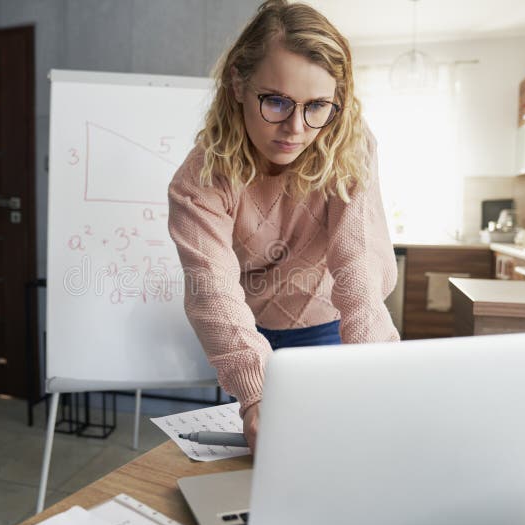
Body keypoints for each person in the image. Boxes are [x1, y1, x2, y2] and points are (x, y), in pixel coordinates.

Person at [168, 0, 399, 452]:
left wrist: (381, 373)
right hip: (243, 328)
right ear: (238, 82)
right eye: (275, 101)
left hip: (327, 323)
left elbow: (358, 266)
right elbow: (212, 288)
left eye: (317, 106)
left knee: (344, 451)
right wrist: (254, 394)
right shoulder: (199, 182)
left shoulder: (349, 146)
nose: (295, 128)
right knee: (266, 452)